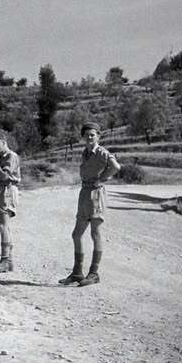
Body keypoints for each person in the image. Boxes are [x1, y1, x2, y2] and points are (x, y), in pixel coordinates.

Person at [59, 121, 121, 286]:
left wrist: (102, 178)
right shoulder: (85, 153)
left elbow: (115, 166)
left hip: (95, 194)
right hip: (85, 193)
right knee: (76, 234)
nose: (89, 138)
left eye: (92, 135)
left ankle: (94, 273)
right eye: (86, 135)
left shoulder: (101, 152)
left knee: (95, 233)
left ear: (98, 136)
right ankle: (77, 272)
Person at [0, 130, 20, 273]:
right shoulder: (3, 157)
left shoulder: (11, 156)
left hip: (7, 191)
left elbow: (4, 176)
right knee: (3, 224)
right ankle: (9, 261)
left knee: (3, 226)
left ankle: (5, 260)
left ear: (4, 142)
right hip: (1, 191)